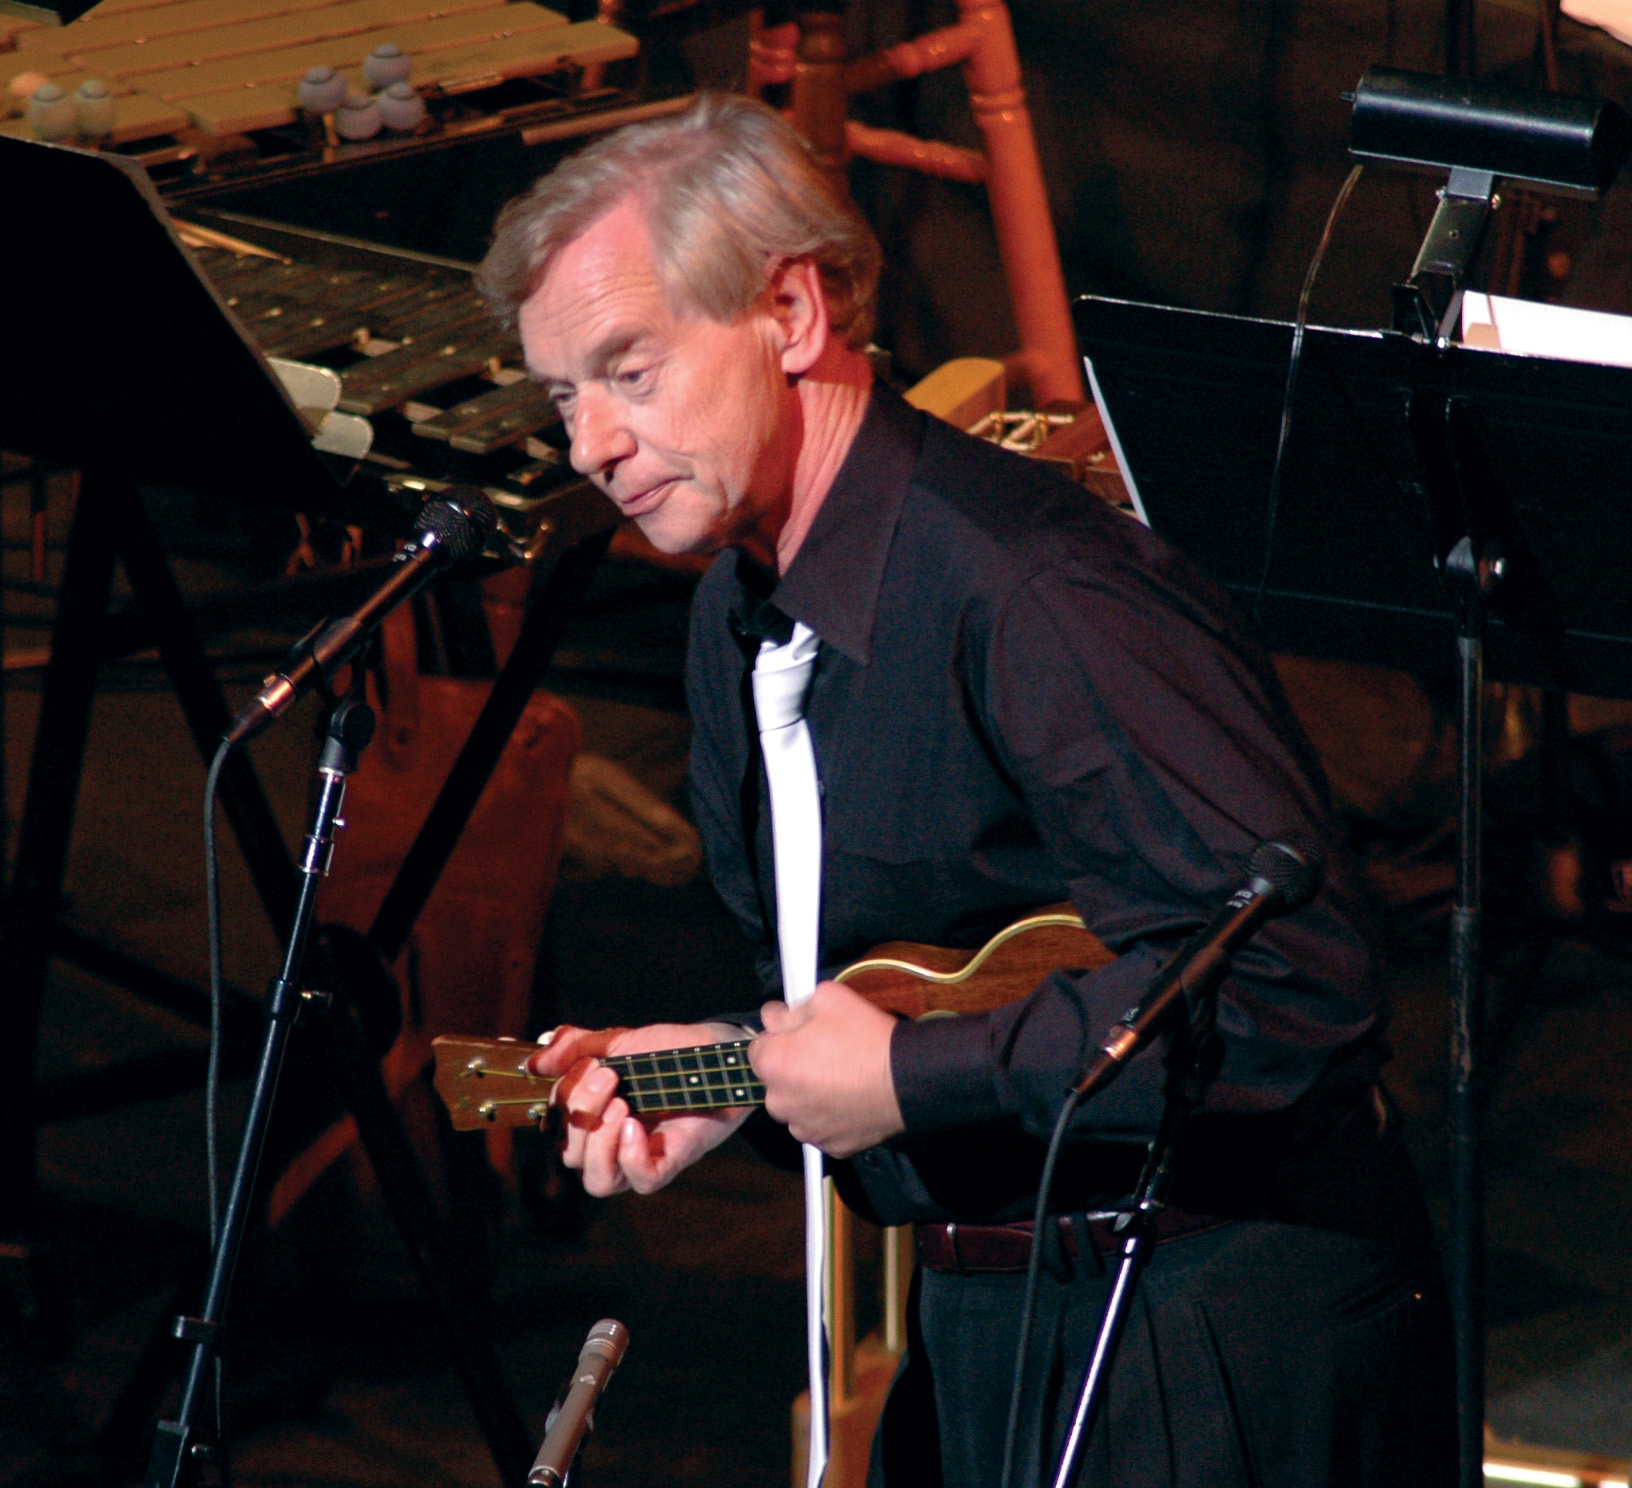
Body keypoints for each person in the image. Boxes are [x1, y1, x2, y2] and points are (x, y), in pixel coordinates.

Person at [476, 93, 1456, 1486]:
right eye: (565, 393)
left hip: (1215, 1323)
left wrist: (910, 1076)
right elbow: (923, 976)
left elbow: (1294, 984)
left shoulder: (1037, 591)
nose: (590, 446)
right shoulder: (740, 619)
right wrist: (731, 1071)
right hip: (995, 1309)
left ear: (793, 314)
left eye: (629, 371)